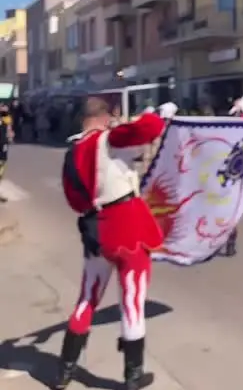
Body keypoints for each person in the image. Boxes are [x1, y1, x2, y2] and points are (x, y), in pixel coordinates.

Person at [55, 98, 177, 390]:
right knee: (132, 302)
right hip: (128, 229)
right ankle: (133, 376)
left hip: (97, 231)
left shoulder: (72, 151)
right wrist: (154, 112)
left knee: (87, 298)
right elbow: (152, 128)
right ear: (104, 117)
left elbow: (74, 200)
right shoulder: (110, 139)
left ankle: (64, 372)